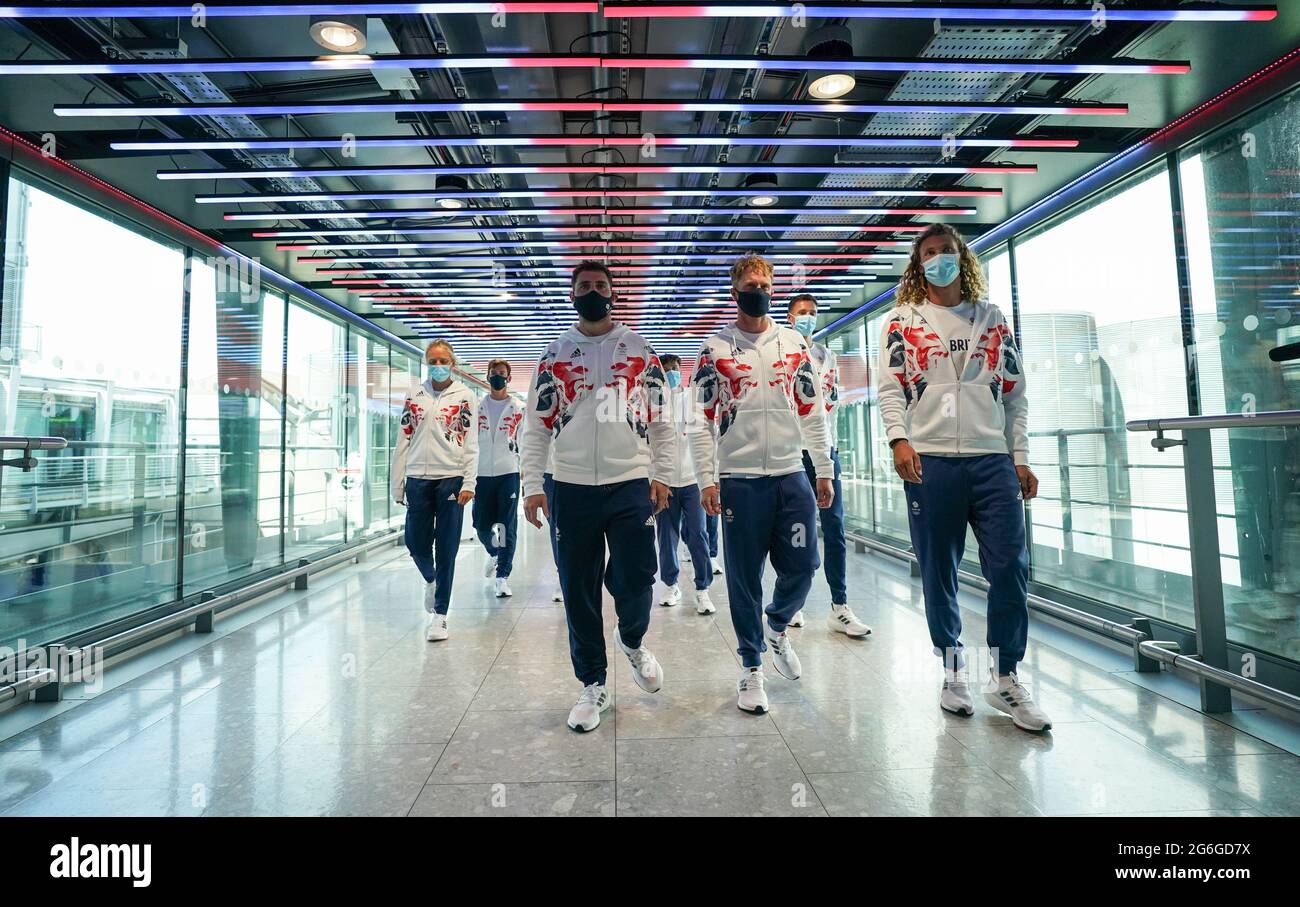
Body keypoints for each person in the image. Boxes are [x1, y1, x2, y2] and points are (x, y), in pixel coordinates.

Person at [879, 222, 1051, 732]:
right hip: (929, 459)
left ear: (962, 258)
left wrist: (1019, 456)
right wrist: (898, 439)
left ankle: (1005, 676)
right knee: (938, 569)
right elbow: (890, 390)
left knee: (1011, 565)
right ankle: (953, 670)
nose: (939, 259)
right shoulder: (902, 321)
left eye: (946, 251)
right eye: (929, 253)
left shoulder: (992, 319)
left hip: (991, 460)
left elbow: (1015, 395)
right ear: (918, 264)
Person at [521, 261, 676, 732]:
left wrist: (663, 474)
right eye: (584, 286)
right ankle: (592, 682)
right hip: (569, 485)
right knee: (578, 589)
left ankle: (632, 640)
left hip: (630, 481)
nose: (592, 291)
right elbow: (536, 426)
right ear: (572, 295)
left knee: (637, 578)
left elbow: (662, 420)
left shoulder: (639, 350)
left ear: (613, 293)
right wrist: (531, 485)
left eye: (600, 286)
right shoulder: (555, 354)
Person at [690, 253, 834, 715]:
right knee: (743, 578)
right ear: (735, 290)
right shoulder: (714, 349)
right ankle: (751, 667)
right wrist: (707, 479)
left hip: (792, 474)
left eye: (765, 283)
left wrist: (823, 468)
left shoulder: (794, 345)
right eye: (750, 283)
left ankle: (776, 626)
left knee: (805, 564)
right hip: (740, 480)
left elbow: (812, 411)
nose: (759, 289)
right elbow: (700, 419)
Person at [787, 294, 872, 638]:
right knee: (796, 531)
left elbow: (832, 409)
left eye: (812, 313)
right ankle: (793, 602)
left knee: (834, 528)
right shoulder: (784, 353)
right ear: (789, 317)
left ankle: (840, 606)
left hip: (827, 453)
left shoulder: (828, 357)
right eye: (801, 313)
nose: (808, 317)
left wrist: (831, 453)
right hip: (794, 453)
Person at [391, 339, 478, 642]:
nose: (438, 365)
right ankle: (432, 578)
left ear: (453, 364)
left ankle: (440, 616)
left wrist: (469, 482)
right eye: (433, 360)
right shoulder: (415, 394)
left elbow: (470, 444)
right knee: (415, 542)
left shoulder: (465, 396)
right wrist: (397, 482)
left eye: (443, 360)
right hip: (417, 478)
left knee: (447, 547)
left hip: (451, 479)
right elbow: (403, 438)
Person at [655, 353, 715, 614]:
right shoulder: (654, 403)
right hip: (666, 482)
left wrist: (709, 478)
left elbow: (707, 437)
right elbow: (650, 444)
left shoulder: (694, 399)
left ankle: (703, 589)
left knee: (698, 535)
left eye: (675, 369)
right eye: (666, 370)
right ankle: (670, 584)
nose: (672, 373)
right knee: (666, 537)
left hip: (692, 481)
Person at [474, 358, 523, 598]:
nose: (498, 377)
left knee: (506, 526)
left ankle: (502, 576)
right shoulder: (476, 408)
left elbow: (525, 441)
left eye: (502, 373)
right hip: (481, 475)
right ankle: (494, 552)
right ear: (488, 377)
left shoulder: (517, 409)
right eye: (494, 373)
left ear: (509, 378)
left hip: (508, 474)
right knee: (481, 526)